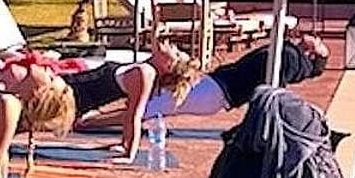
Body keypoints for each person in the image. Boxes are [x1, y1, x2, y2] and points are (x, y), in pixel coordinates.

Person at [61, 41, 197, 162]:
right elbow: (157, 40)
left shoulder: (145, 74)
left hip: (68, 96)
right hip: (70, 87)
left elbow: (134, 115)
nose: (174, 46)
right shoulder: (148, 66)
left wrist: (129, 154)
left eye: (177, 53)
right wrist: (123, 143)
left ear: (168, 66)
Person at [140, 33, 328, 119]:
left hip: (216, 92)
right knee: (149, 104)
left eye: (318, 42)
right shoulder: (289, 53)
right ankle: (123, 116)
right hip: (216, 87)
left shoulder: (290, 59)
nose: (316, 37)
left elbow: (276, 85)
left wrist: (322, 57)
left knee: (145, 109)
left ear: (312, 54)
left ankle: (119, 120)